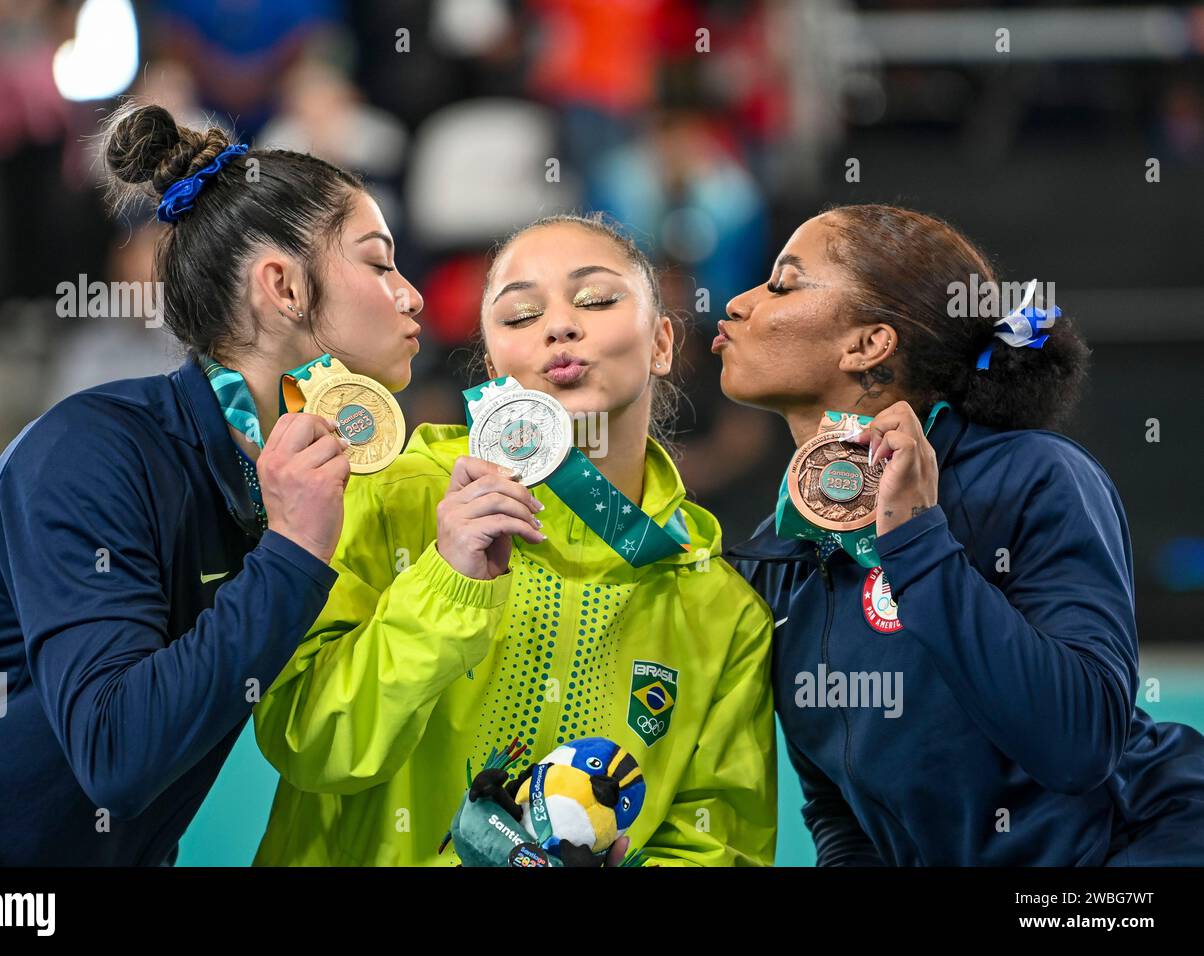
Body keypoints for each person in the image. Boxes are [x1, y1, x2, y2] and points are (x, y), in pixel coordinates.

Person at [0, 103, 425, 864]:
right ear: (282, 287)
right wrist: (290, 552)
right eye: (378, 262)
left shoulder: (294, 482)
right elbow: (117, 754)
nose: (410, 295)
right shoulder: (88, 455)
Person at [253, 214, 777, 866]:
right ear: (494, 360)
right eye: (521, 315)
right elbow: (312, 745)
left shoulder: (720, 609)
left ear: (663, 343)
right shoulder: (394, 495)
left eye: (597, 300)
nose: (559, 326)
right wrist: (446, 580)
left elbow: (717, 849)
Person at [721, 203, 1204, 865]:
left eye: (783, 284)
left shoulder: (1032, 475)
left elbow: (1081, 745)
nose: (739, 305)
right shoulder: (780, 555)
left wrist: (917, 538)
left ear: (868, 344)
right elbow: (844, 812)